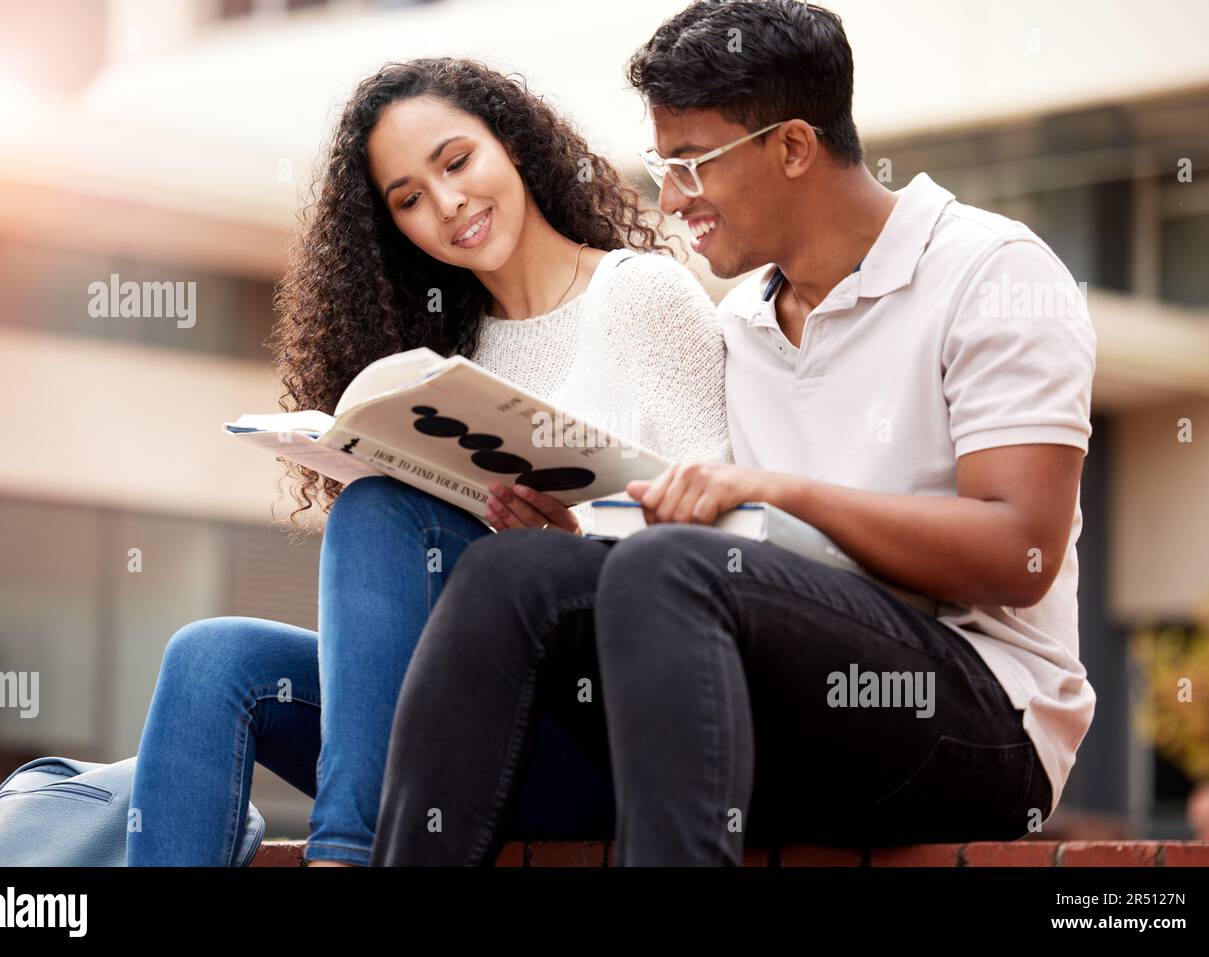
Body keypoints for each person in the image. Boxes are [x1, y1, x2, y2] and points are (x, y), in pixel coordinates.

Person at [370, 0, 1097, 866]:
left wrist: (777, 489)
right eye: (660, 164)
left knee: (665, 567)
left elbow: (1020, 552)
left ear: (792, 147)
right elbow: (744, 565)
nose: (671, 199)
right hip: (778, 708)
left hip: (980, 722)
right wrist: (581, 535)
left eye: (690, 164)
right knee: (516, 571)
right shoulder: (744, 324)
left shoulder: (992, 273)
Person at [126, 57, 730, 866]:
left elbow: (730, 551)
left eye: (456, 162)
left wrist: (575, 542)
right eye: (408, 198)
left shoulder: (644, 296)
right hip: (460, 740)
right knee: (211, 658)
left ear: (512, 143)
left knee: (382, 508)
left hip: (611, 736)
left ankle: (345, 856)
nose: (448, 206)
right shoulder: (444, 356)